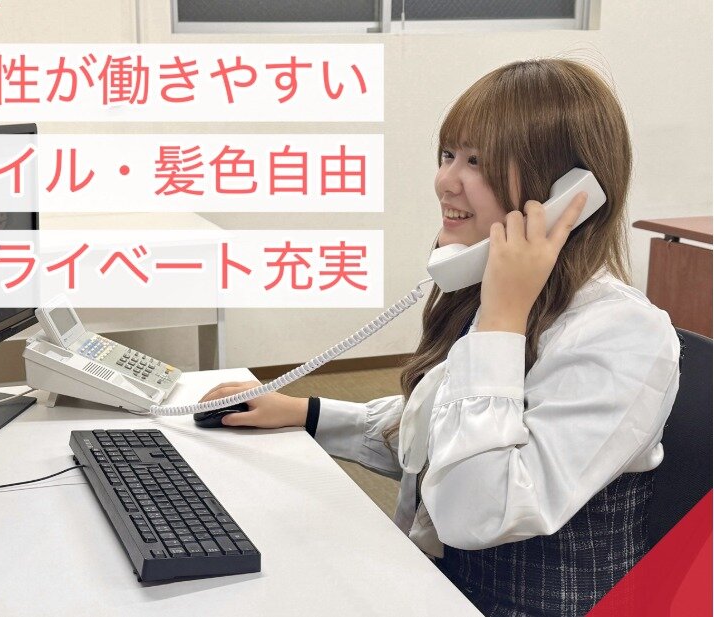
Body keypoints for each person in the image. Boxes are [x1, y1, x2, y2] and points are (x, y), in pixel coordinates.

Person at [198, 58, 681, 616]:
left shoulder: (622, 337)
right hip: (435, 582)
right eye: (449, 155)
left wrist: (501, 320)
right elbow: (442, 430)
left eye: (477, 161)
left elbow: (474, 510)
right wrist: (308, 414)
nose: (446, 181)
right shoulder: (500, 290)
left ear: (570, 193)